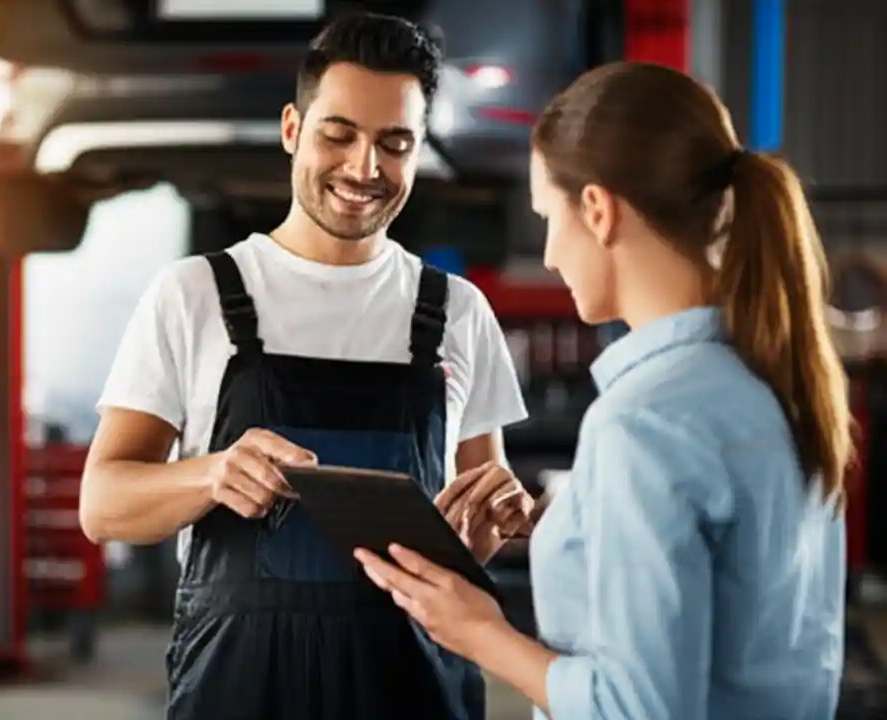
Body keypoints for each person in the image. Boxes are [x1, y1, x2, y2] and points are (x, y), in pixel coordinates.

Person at [356, 60, 852, 720]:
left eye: (547, 217)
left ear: (597, 209)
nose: (552, 254)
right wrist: (576, 521)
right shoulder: (771, 385)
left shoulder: (645, 421)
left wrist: (474, 629)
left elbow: (637, 708)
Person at [80, 12, 534, 720]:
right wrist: (212, 472)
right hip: (239, 687)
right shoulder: (196, 295)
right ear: (293, 129)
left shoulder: (458, 312)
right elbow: (103, 506)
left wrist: (490, 527)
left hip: (410, 687)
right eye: (340, 135)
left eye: (395, 144)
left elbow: (475, 522)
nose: (365, 169)